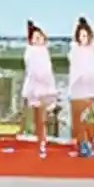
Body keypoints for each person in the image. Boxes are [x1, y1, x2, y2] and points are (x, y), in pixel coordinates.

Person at [67, 17, 94, 158]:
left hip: (91, 88)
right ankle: (82, 145)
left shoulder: (92, 49)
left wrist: (85, 24)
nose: (84, 38)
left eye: (86, 35)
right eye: (81, 36)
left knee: (92, 119)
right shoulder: (74, 50)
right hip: (78, 89)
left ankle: (89, 143)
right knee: (79, 120)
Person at [22, 20, 58, 159]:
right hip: (34, 86)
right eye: (35, 37)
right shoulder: (30, 51)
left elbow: (47, 71)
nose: (38, 39)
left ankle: (42, 141)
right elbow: (31, 69)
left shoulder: (45, 52)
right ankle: (40, 140)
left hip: (45, 86)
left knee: (43, 117)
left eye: (40, 37)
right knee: (38, 117)